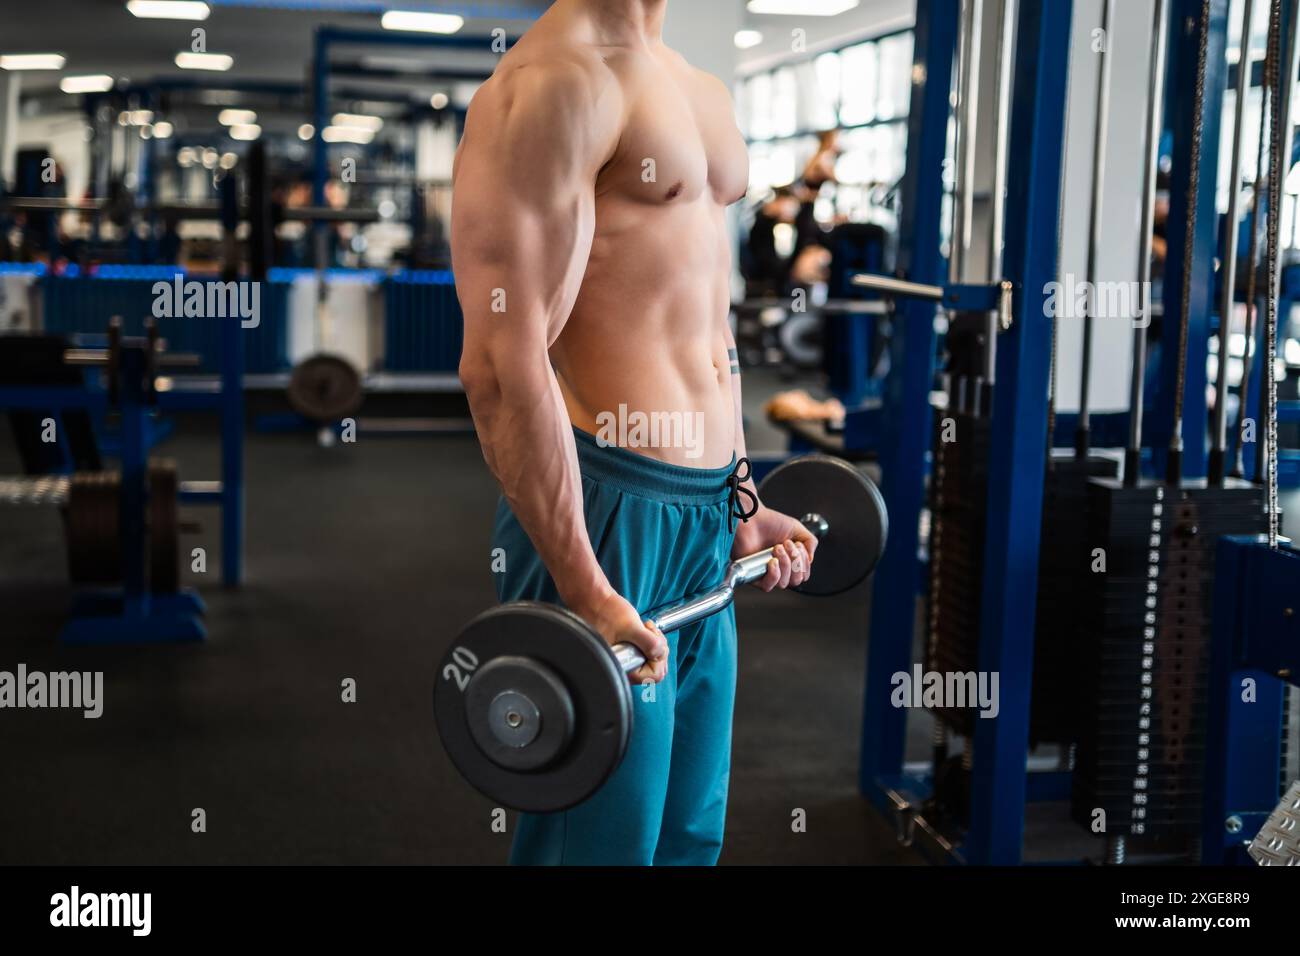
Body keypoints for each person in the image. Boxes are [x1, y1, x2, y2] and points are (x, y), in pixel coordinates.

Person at [451, 0, 818, 866]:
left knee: (689, 833)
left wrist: (741, 499)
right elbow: (502, 365)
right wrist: (583, 584)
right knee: (599, 843)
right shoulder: (553, 86)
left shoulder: (696, 85)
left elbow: (706, 325)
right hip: (609, 506)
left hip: (702, 512)